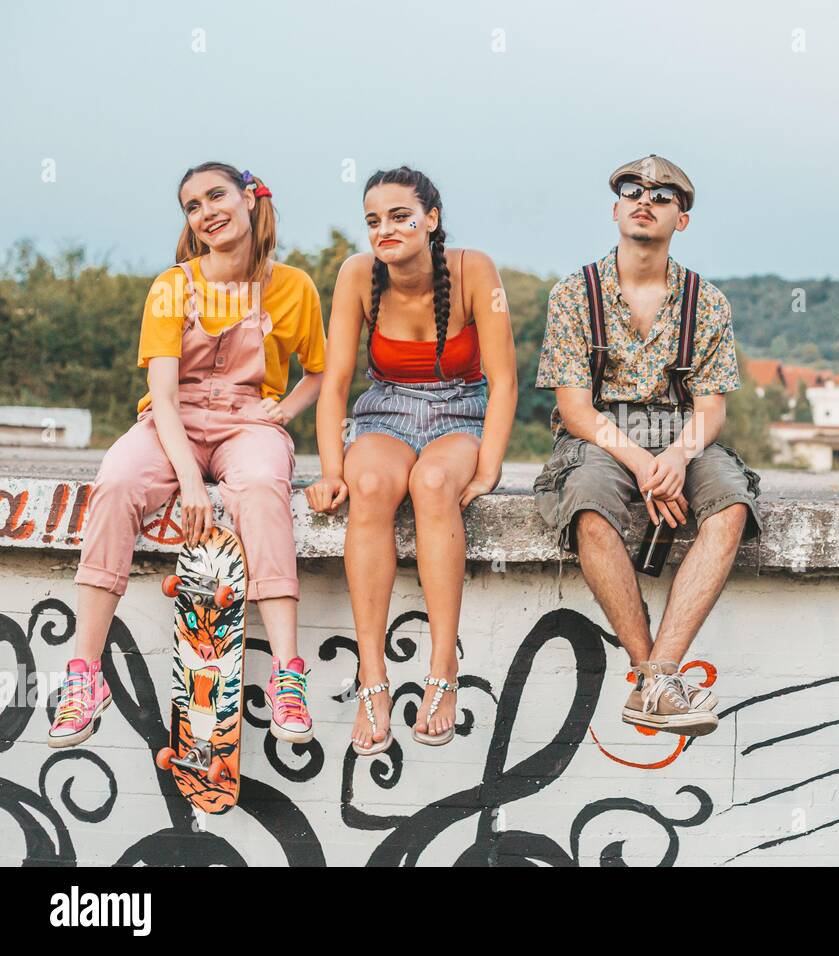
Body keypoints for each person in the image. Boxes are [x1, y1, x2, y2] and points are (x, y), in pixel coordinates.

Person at [50, 162, 325, 748]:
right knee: (118, 480)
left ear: (250, 199)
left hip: (249, 417)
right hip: (173, 418)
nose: (206, 212)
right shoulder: (173, 285)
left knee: (259, 487)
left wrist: (287, 411)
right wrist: (192, 484)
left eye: (217, 195)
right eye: (192, 206)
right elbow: (166, 400)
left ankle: (287, 675)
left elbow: (321, 373)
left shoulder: (294, 286)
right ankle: (83, 676)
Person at [533, 154, 761, 736]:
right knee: (586, 501)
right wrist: (641, 463)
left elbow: (712, 409)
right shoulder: (574, 295)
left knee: (731, 503)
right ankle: (652, 680)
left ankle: (660, 673)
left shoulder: (706, 303)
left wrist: (677, 457)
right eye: (633, 191)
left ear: (680, 220)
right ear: (615, 210)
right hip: (602, 433)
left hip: (680, 432)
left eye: (662, 197)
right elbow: (573, 409)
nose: (645, 200)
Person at [307, 166, 516, 756]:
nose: (385, 230)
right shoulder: (356, 275)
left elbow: (504, 381)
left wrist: (489, 464)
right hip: (386, 412)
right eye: (373, 220)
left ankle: (443, 664)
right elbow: (336, 383)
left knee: (431, 483)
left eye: (400, 216)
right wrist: (329, 469)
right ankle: (371, 678)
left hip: (461, 413)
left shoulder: (476, 271)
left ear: (432, 218)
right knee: (369, 483)